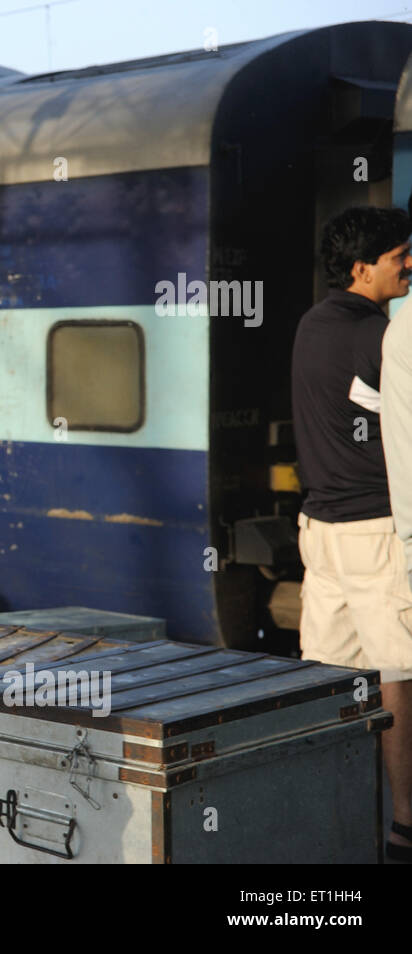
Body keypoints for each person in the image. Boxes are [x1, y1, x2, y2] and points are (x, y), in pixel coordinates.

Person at [292, 205, 412, 863]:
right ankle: (405, 826)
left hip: (321, 532)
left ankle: (333, 816)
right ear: (364, 268)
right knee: (400, 673)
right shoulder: (382, 337)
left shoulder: (311, 326)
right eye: (401, 256)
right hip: (373, 529)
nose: (410, 264)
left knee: (333, 679)